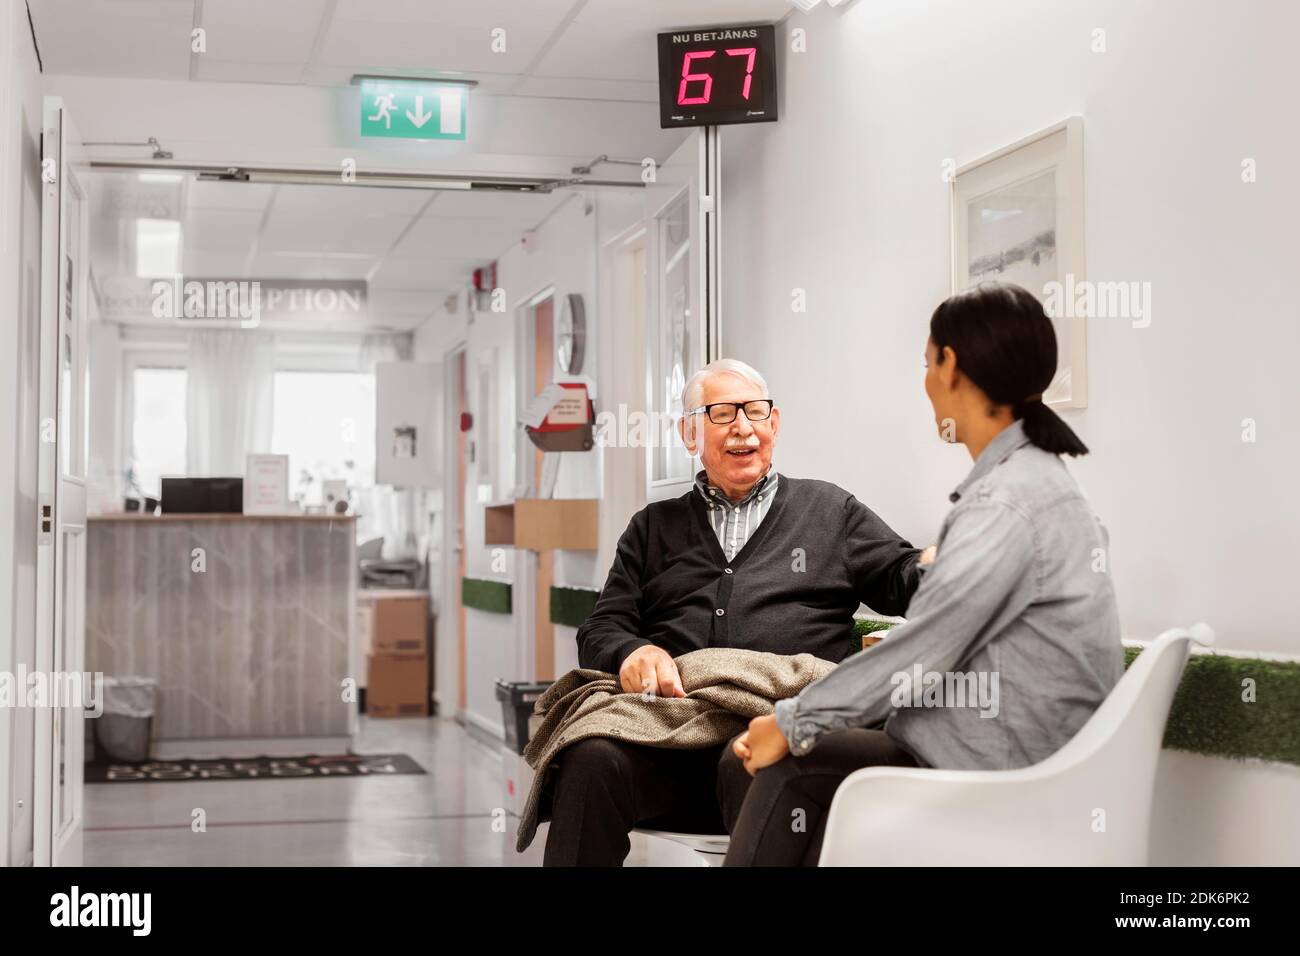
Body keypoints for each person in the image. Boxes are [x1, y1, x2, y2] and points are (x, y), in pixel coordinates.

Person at [724, 282, 1124, 866]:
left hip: (1004, 770)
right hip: (1016, 751)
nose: (926, 382)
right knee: (775, 762)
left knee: (788, 762)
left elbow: (922, 647)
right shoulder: (1035, 482)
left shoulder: (1007, 502)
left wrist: (794, 720)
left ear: (950, 366)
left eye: (926, 362)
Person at [541, 358, 929, 866]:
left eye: (755, 411)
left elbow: (904, 579)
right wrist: (632, 650)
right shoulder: (652, 528)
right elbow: (602, 627)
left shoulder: (830, 511)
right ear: (689, 434)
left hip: (770, 734)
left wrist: (943, 562)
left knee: (744, 760)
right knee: (589, 758)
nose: (743, 427)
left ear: (774, 424)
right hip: (670, 736)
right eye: (722, 413)